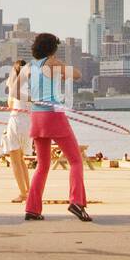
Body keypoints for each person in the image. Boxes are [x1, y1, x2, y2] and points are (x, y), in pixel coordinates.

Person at [25, 32, 90, 222]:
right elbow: (77, 75)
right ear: (52, 49)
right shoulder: (52, 63)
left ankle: (32, 209)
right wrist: (58, 64)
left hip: (36, 115)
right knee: (76, 161)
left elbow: (20, 88)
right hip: (53, 114)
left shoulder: (30, 66)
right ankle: (76, 202)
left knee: (42, 165)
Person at [3, 59, 32, 203]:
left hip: (16, 120)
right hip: (28, 123)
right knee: (21, 159)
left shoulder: (15, 85)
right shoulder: (31, 86)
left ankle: (23, 193)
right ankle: (28, 190)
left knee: (14, 160)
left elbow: (10, 104)